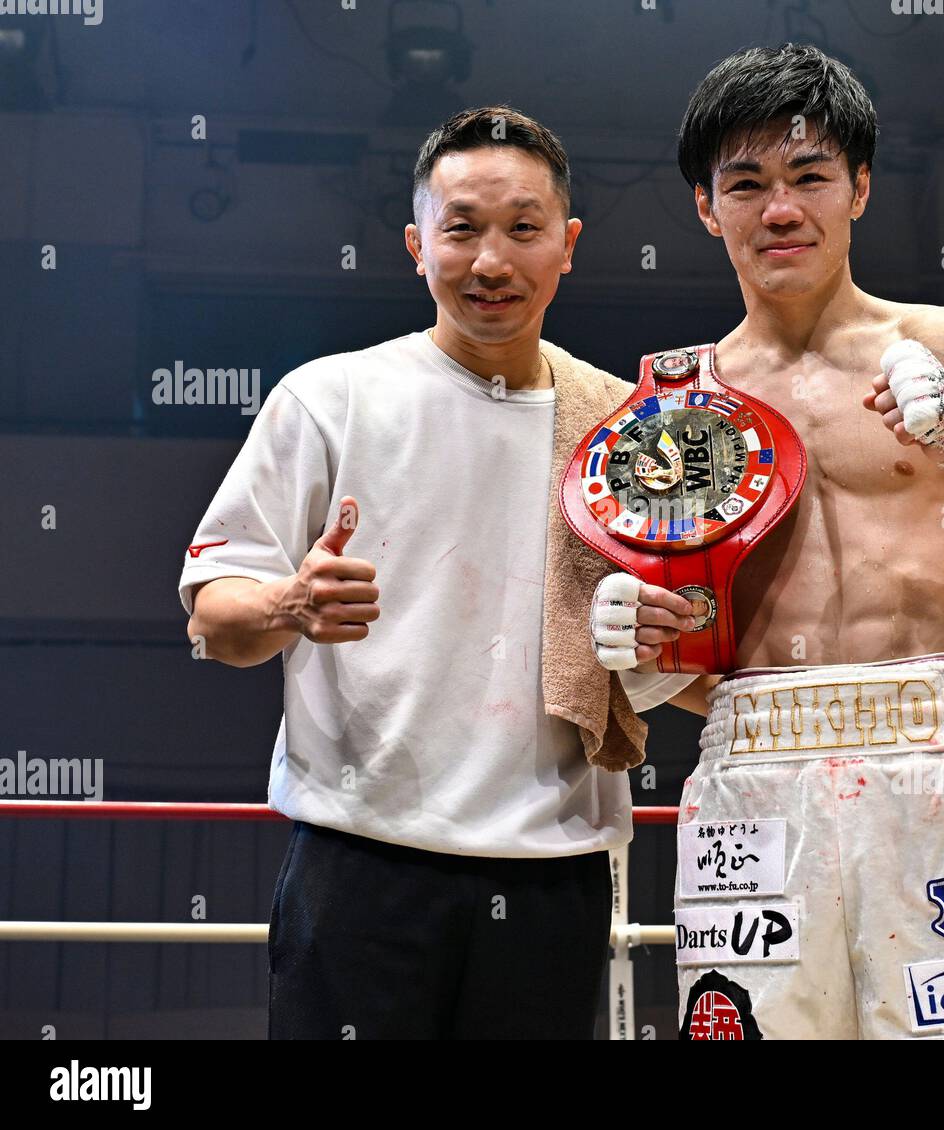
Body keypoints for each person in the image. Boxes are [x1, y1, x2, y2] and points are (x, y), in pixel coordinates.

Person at [590, 43, 944, 1039]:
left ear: (858, 187)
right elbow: (688, 659)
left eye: (809, 175)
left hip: (937, 743)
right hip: (753, 776)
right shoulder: (677, 399)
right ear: (706, 206)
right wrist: (637, 653)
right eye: (746, 183)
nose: (781, 208)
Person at [180, 106, 666, 1039]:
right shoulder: (330, 398)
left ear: (567, 245)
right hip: (359, 864)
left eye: (523, 230)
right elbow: (215, 619)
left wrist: (666, 642)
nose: (492, 261)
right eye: (462, 229)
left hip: (554, 869)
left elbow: (673, 666)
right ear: (415, 244)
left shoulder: (622, 425)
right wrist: (289, 602)